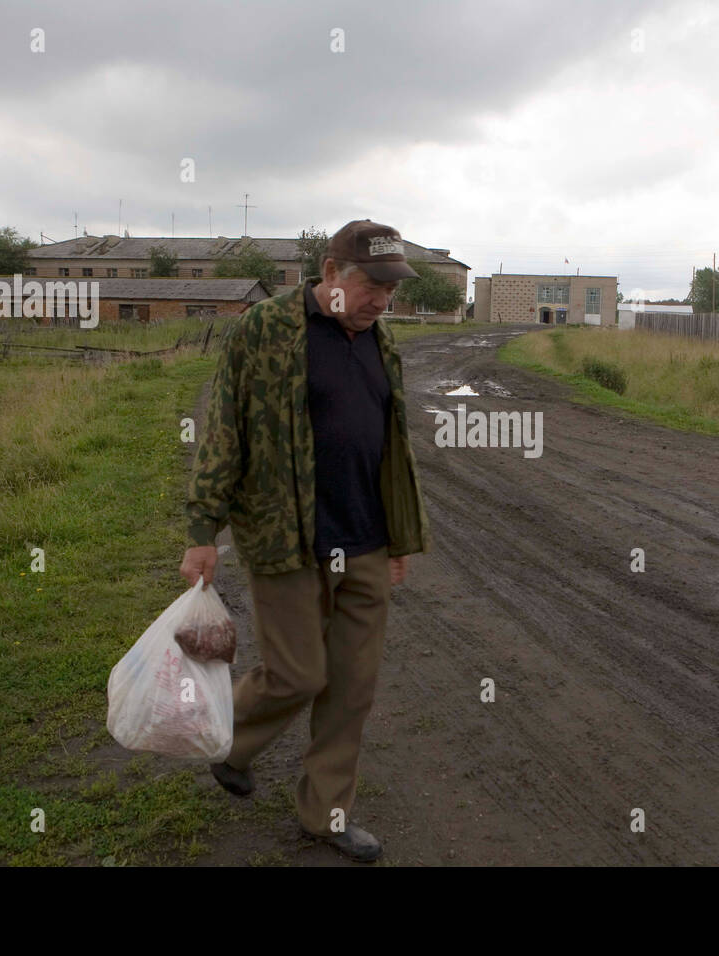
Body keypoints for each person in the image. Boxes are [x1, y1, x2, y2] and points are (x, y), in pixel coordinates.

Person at [179, 220, 432, 862]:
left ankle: (328, 815)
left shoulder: (382, 340)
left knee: (351, 687)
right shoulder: (264, 330)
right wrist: (202, 530)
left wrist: (399, 539)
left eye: (391, 290)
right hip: (286, 538)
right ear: (330, 274)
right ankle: (229, 745)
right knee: (297, 673)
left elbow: (390, 445)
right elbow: (223, 432)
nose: (381, 300)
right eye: (371, 285)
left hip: (368, 541)